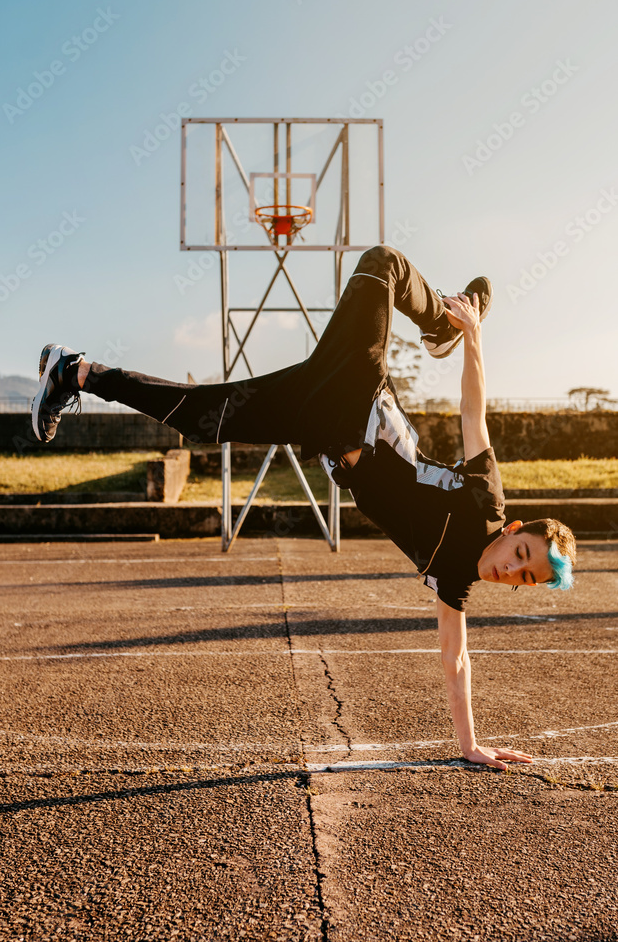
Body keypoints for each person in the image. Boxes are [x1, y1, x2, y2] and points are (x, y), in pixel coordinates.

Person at [31, 245, 576, 770]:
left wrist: (470, 744)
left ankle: (74, 371)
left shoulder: (454, 578)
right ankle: (441, 323)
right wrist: (472, 338)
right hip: (358, 398)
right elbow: (473, 415)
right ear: (514, 529)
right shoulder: (487, 502)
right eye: (521, 553)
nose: (511, 570)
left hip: (316, 419)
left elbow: (455, 659)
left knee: (201, 420)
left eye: (523, 579)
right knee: (381, 263)